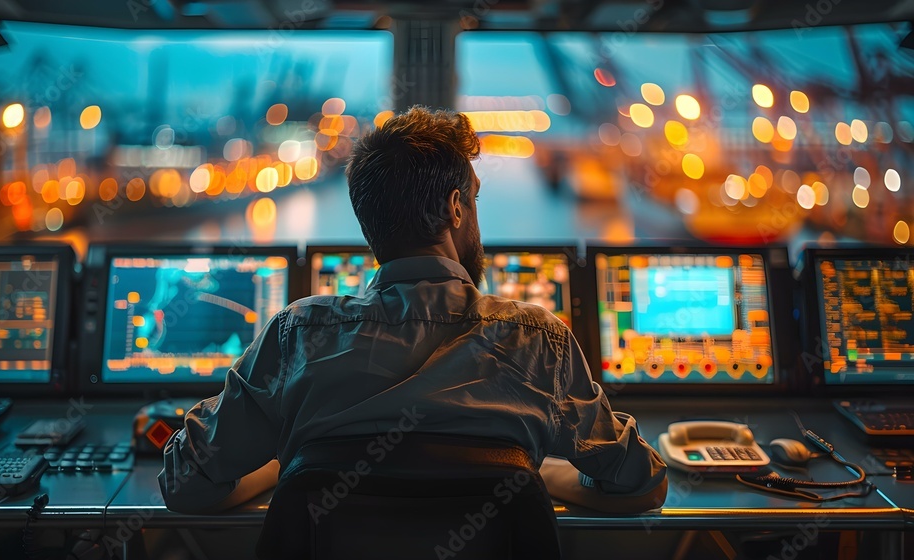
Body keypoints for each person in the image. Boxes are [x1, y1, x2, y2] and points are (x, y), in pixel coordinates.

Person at [159, 106, 668, 516]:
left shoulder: (297, 336)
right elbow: (641, 484)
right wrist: (534, 473)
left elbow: (186, 483)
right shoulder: (538, 341)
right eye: (473, 197)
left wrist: (287, 464)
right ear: (454, 208)